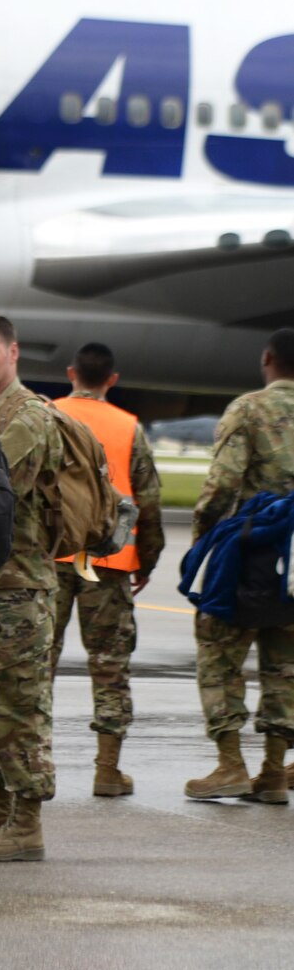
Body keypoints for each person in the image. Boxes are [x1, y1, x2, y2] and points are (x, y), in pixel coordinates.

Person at [0, 315, 62, 862]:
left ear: (13, 353)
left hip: (22, 587)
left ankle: (28, 823)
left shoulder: (29, 416)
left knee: (22, 704)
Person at [185, 328, 294, 803]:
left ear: (267, 359)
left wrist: (203, 543)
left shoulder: (249, 409)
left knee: (218, 654)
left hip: (251, 555)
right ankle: (273, 772)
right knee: (285, 665)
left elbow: (223, 484)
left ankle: (231, 763)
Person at [51, 343, 164, 795]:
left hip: (53, 556)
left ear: (71, 373)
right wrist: (147, 560)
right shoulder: (129, 427)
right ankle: (107, 770)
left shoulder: (48, 416)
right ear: (112, 380)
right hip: (110, 560)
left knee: (36, 663)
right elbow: (149, 502)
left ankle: (28, 763)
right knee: (110, 666)